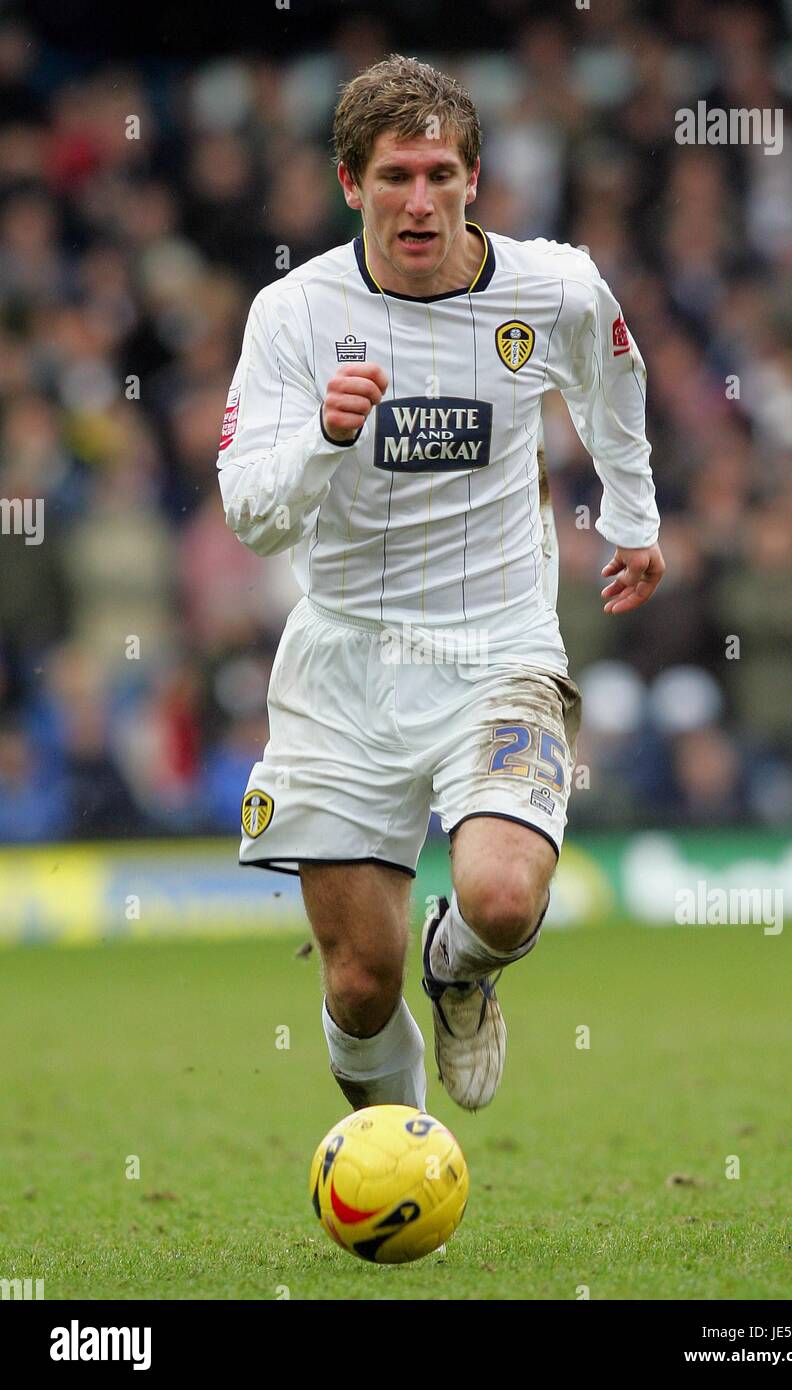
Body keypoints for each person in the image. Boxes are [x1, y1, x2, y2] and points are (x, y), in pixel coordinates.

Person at [217, 54, 664, 1114]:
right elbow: (249, 512)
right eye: (391, 178)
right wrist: (327, 437)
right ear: (347, 184)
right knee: (360, 985)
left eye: (437, 175)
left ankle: (459, 963)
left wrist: (635, 518)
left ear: (474, 178)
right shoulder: (292, 315)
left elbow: (613, 375)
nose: (417, 203)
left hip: (496, 648)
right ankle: (408, 1160)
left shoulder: (549, 287)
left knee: (501, 899)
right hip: (343, 663)